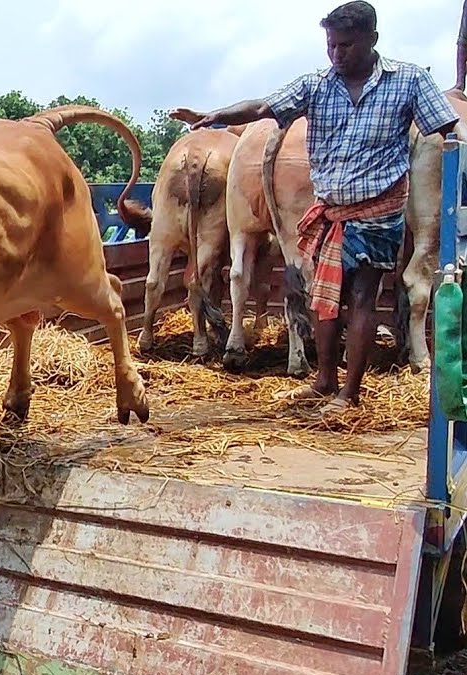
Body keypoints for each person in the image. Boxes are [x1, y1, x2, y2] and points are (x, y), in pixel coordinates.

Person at [170, 0, 460, 414]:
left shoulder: (408, 80)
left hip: (378, 210)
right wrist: (214, 115)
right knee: (323, 299)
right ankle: (324, 380)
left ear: (371, 40)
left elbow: (445, 127)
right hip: (329, 211)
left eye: (346, 45)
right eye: (331, 46)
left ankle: (350, 392)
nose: (337, 54)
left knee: (361, 297)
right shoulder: (318, 85)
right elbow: (264, 106)